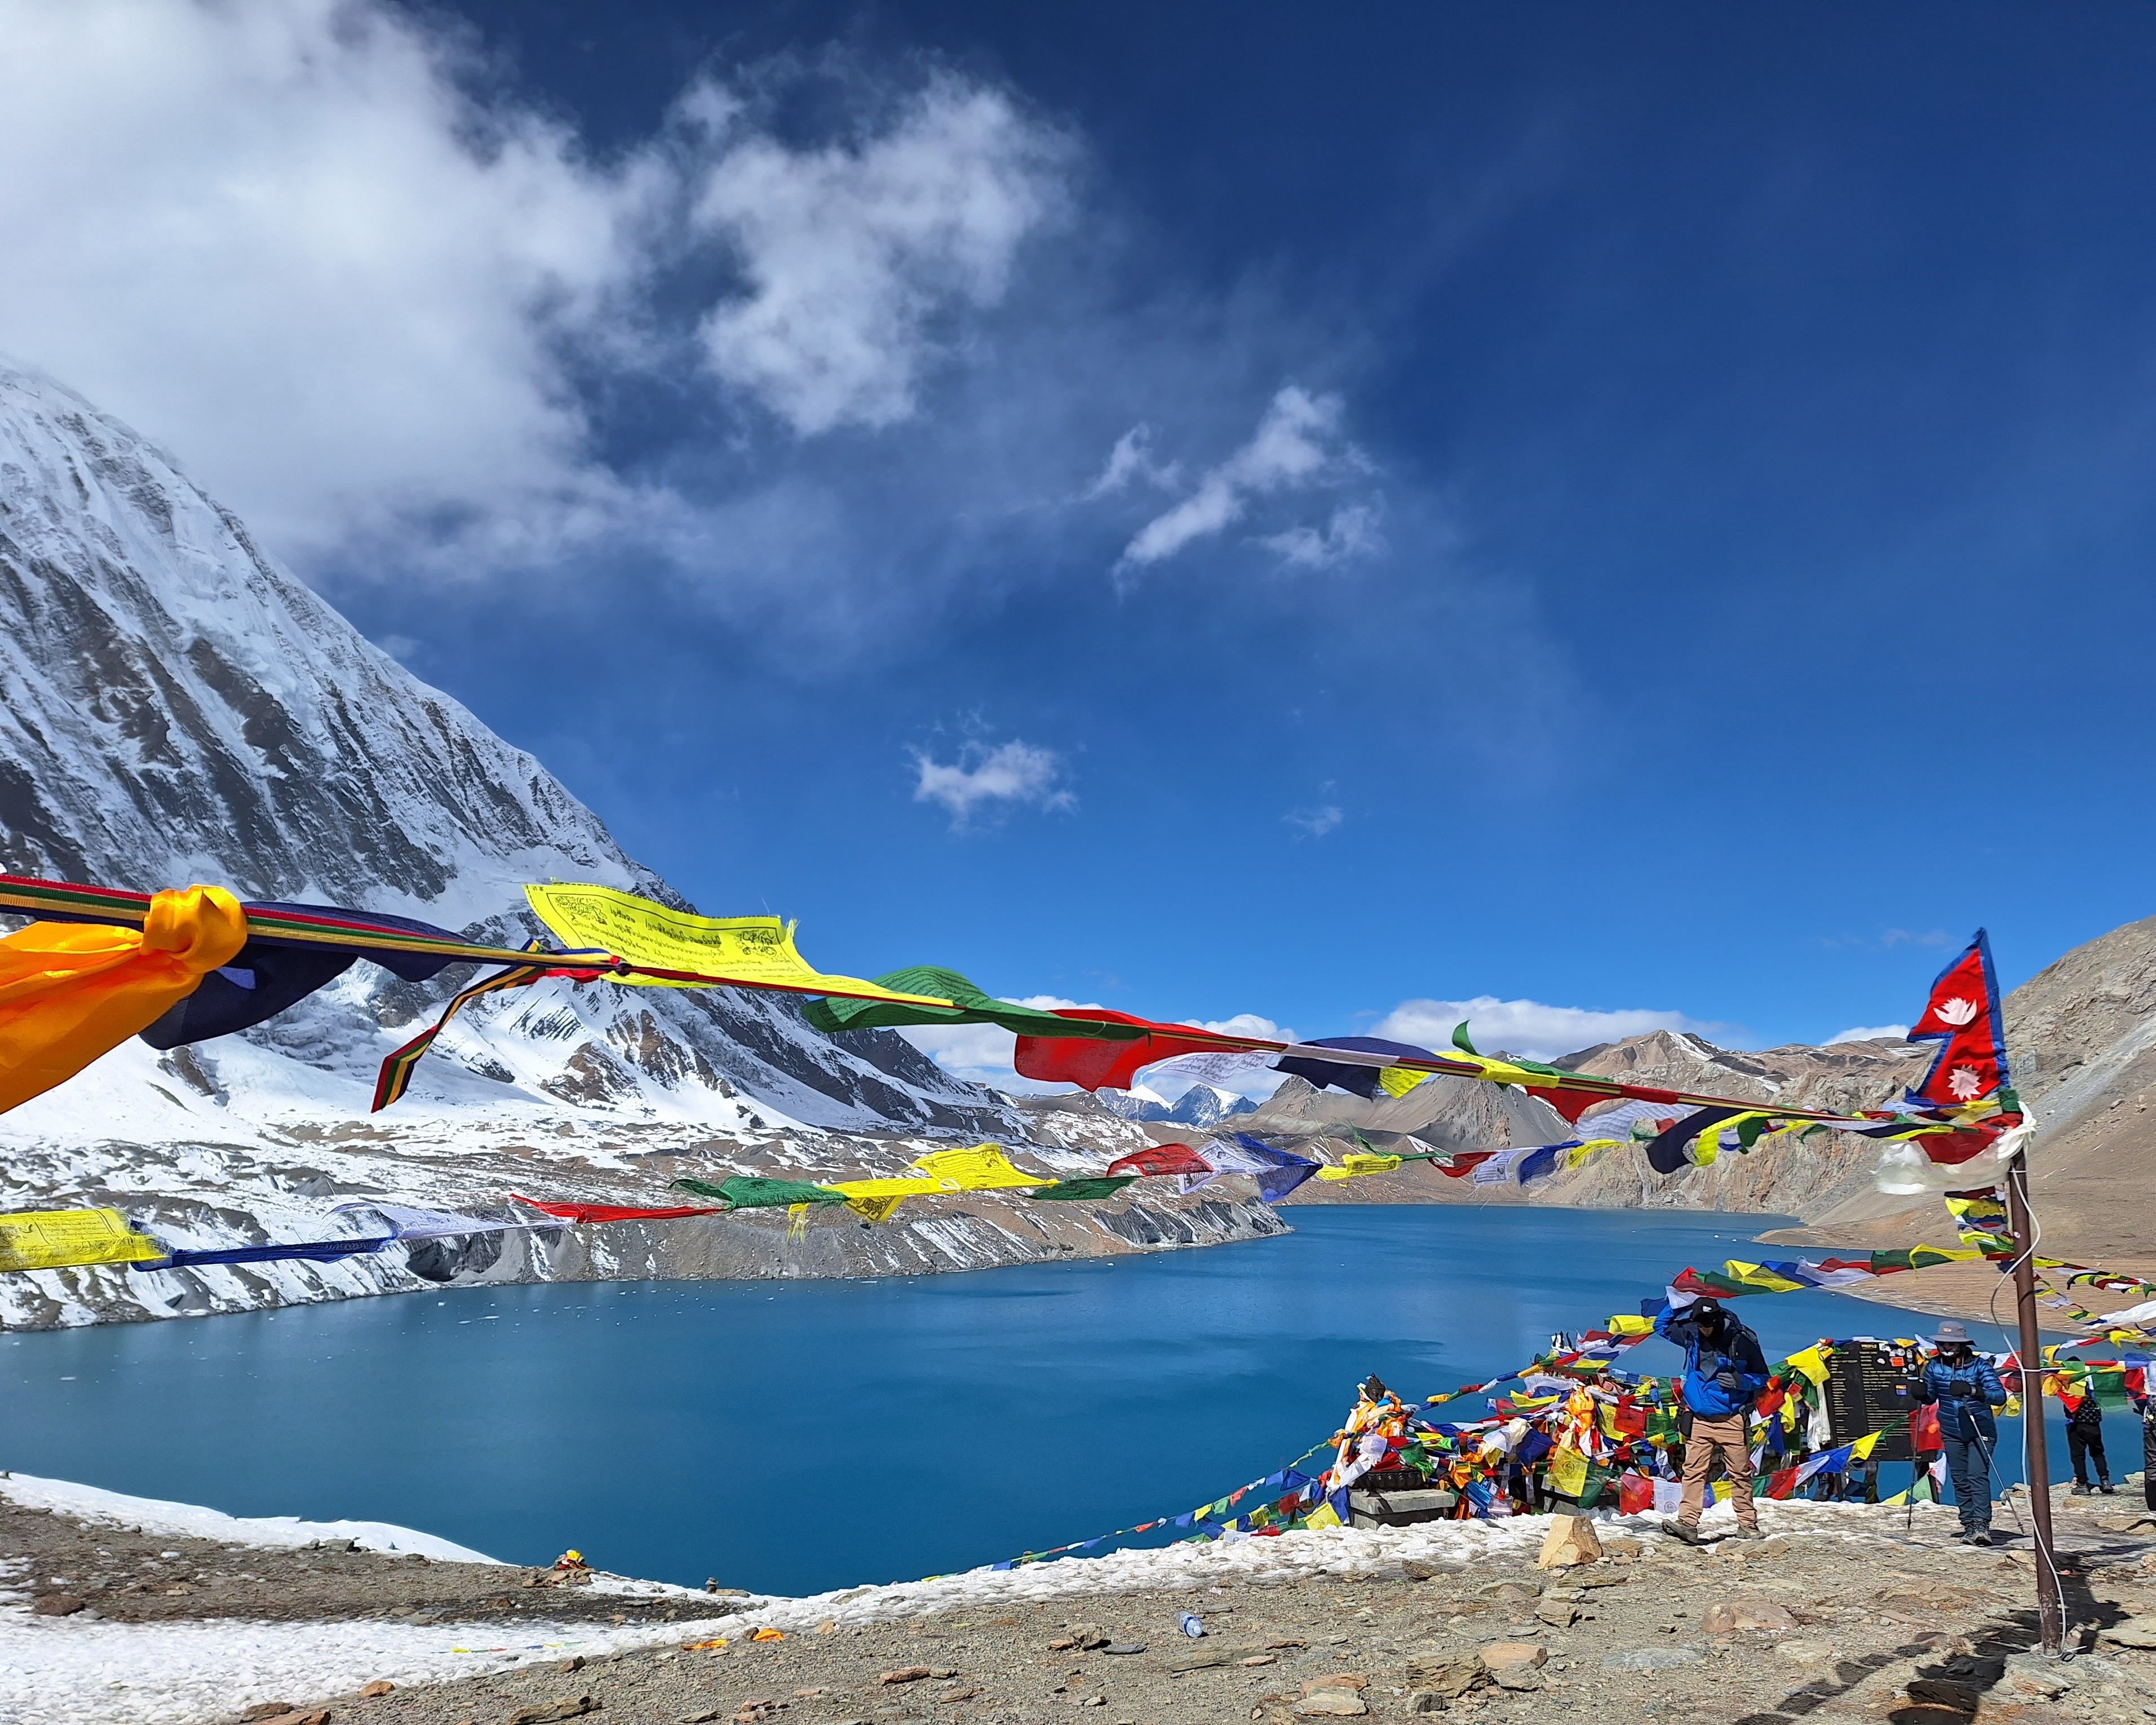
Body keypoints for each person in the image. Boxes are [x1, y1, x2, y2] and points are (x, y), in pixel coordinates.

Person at [1655, 1295, 1770, 1543]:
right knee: (1693, 1471)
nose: (1704, 1329)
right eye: (1699, 1324)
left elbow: (1763, 1378)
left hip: (1731, 1419)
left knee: (1740, 1474)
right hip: (1699, 1419)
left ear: (1718, 1320)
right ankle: (1687, 1522)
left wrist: (1742, 1382)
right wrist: (1679, 1301)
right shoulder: (1692, 1335)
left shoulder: (1742, 1341)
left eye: (1707, 1324)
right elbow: (1660, 1326)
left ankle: (1748, 1525)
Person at [1916, 1321, 2008, 1544]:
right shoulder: (1934, 1367)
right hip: (1951, 1430)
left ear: (1962, 1345)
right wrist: (1920, 1393)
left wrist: (1972, 1390)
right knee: (1960, 1478)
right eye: (1943, 1342)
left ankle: (1982, 1526)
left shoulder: (1980, 1366)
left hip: (1979, 1429)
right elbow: (1929, 1397)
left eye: (1952, 1343)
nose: (1947, 1347)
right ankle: (1968, 1525)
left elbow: (1999, 1396)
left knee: (1977, 1476)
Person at [2066, 1383, 2114, 1496]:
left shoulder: (2071, 1385)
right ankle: (2105, 1481)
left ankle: (2082, 1484)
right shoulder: (2096, 1387)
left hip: (2076, 1424)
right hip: (2094, 1425)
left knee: (2078, 1456)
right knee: (2098, 1453)